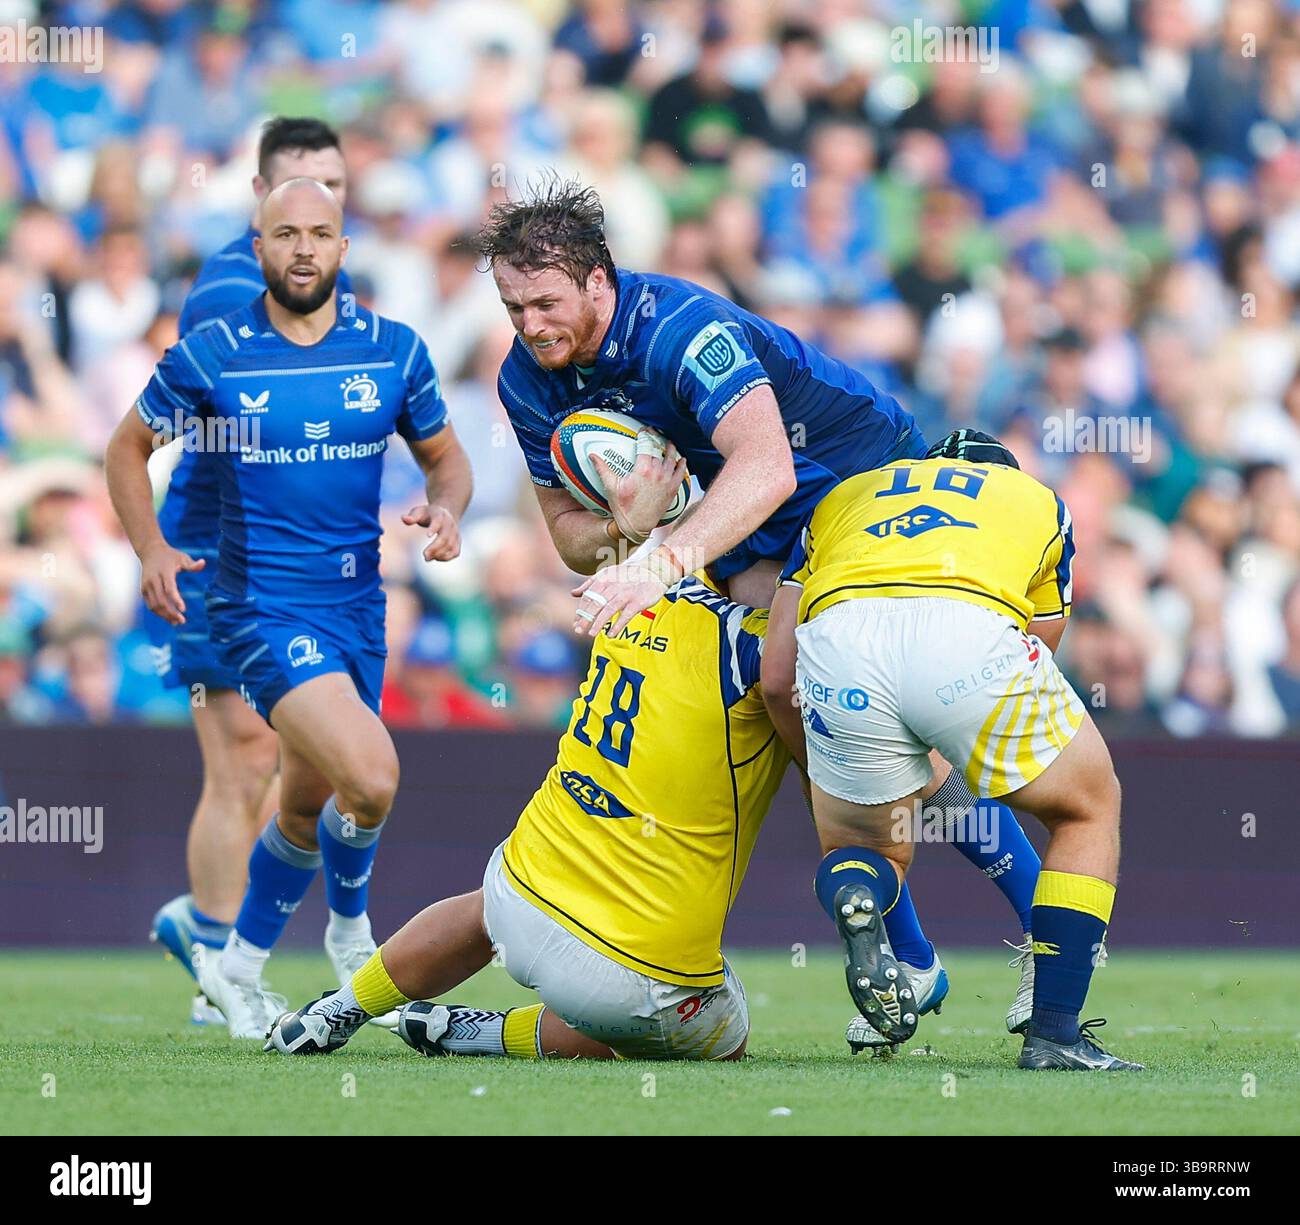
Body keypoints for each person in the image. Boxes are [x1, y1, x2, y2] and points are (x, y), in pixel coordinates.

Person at [479, 180, 1047, 1033]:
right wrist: (629, 525)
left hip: (857, 488)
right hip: (745, 534)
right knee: (818, 726)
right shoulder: (526, 383)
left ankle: (1032, 938)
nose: (529, 325)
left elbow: (769, 466)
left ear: (598, 281)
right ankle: (920, 955)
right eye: (513, 307)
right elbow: (570, 538)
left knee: (802, 693)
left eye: (545, 303)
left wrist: (658, 559)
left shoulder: (683, 330)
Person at [106, 178, 472, 1037]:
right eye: (284, 233)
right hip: (259, 609)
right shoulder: (214, 352)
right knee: (371, 777)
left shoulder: (394, 350)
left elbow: (447, 457)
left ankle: (235, 968)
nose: (303, 248)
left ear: (343, 247)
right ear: (258, 247)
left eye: (319, 233)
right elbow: (126, 447)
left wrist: (447, 506)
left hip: (359, 610)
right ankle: (353, 937)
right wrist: (151, 547)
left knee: (305, 807)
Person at [765, 429, 1142, 1070]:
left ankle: (874, 910)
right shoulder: (1034, 499)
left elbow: (777, 675)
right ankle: (1054, 1030)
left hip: (840, 646)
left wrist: (823, 761)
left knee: (867, 848)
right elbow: (1040, 641)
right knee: (1086, 808)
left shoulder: (847, 497)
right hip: (965, 638)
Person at [146, 118, 356, 1026]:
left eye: (334, 186)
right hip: (218, 551)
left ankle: (206, 932)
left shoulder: (342, 290)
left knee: (293, 758)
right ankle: (219, 962)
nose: (317, 202)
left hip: (303, 558)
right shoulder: (230, 292)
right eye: (300, 185)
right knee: (242, 753)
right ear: (260, 198)